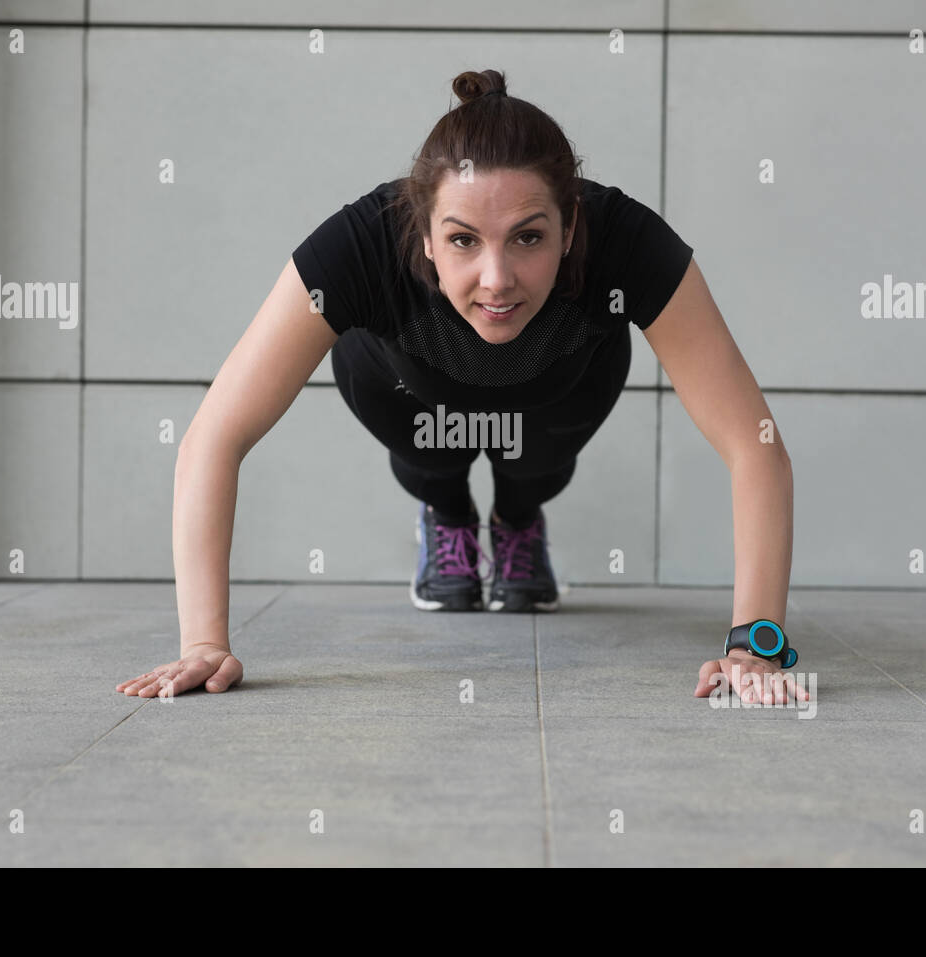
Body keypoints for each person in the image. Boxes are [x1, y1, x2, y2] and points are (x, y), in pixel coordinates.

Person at [117, 69, 808, 706]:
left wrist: (756, 641)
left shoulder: (628, 240)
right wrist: (204, 642)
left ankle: (516, 521)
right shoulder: (359, 242)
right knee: (435, 457)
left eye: (528, 238)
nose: (497, 278)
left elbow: (757, 447)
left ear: (570, 227)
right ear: (422, 235)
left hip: (563, 389)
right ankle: (446, 516)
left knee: (531, 465)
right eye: (464, 241)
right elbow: (214, 435)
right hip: (403, 390)